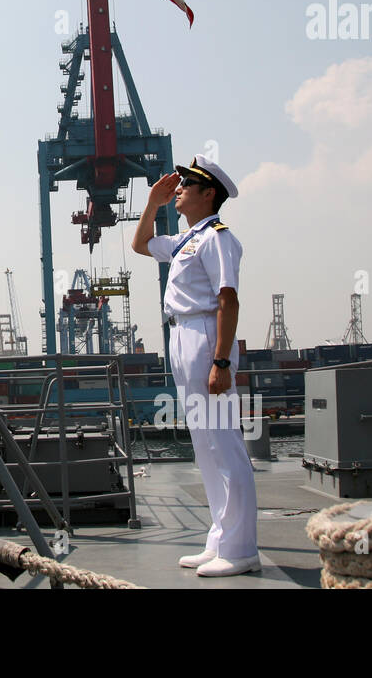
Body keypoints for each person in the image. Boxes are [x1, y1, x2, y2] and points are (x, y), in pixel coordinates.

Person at [131, 155, 259, 577]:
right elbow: (141, 244)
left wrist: (221, 361)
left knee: (224, 444)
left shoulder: (217, 238)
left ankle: (240, 548)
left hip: (205, 336)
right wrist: (153, 202)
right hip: (183, 335)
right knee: (204, 446)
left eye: (188, 184)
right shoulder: (187, 240)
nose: (179, 188)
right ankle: (220, 540)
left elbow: (228, 299)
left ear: (209, 194)